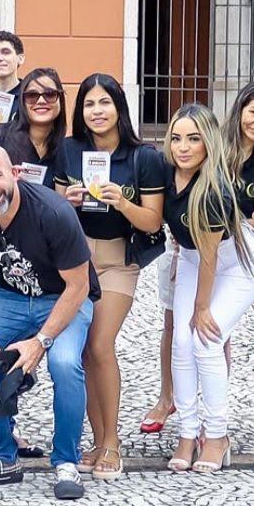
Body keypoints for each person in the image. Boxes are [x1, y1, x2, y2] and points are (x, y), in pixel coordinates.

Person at [140, 81, 254, 434]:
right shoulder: (204, 141)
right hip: (186, 247)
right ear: (239, 111)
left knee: (213, 332)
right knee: (176, 327)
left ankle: (211, 423)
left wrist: (213, 223)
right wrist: (188, 227)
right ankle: (168, 398)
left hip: (230, 249)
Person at [0, 145, 98, 499]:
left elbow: (78, 286)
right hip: (10, 298)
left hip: (63, 297)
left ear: (15, 173)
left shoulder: (53, 212)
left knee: (64, 364)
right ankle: (3, 455)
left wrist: (40, 342)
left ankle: (66, 459)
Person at [55, 72, 165, 481]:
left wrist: (122, 203)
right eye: (89, 104)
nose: (97, 111)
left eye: (105, 102)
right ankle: (96, 438)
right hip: (77, 260)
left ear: (119, 107)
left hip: (119, 262)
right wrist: (64, 199)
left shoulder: (144, 158)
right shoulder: (70, 150)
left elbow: (153, 222)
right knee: (83, 351)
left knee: (101, 345)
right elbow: (49, 206)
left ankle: (112, 442)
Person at [160, 104, 254, 474]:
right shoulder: (166, 173)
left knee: (205, 338)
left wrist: (202, 307)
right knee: (180, 342)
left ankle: (218, 434)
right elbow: (187, 246)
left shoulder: (213, 189)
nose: (183, 147)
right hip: (193, 258)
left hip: (237, 262)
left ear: (209, 142)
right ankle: (188, 433)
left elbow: (210, 257)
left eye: (194, 139)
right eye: (176, 138)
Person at [0, 67, 67, 195]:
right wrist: (5, 183)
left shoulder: (65, 149)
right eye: (31, 95)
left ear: (61, 100)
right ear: (22, 102)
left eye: (50, 94)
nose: (41, 101)